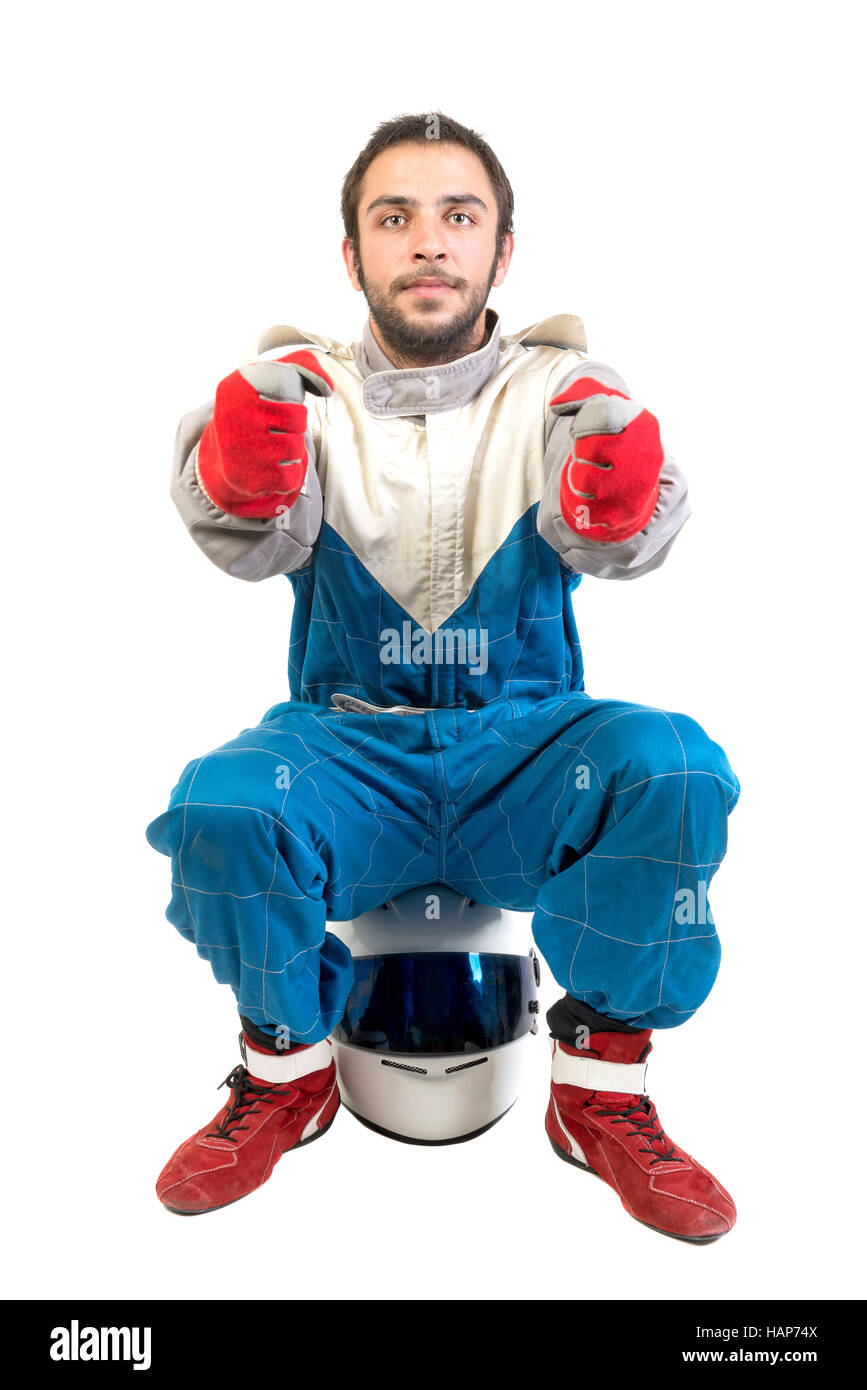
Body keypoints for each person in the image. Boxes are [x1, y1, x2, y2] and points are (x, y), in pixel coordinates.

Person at [147, 112, 740, 1241]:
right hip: (345, 750)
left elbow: (627, 540)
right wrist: (238, 467)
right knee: (219, 806)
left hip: (522, 750)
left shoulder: (564, 384)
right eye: (396, 217)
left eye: (458, 216)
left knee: (670, 764)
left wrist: (613, 491)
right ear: (353, 253)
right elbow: (242, 533)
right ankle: (284, 1069)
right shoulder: (295, 386)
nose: (429, 242)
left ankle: (602, 1091)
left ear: (500, 250)